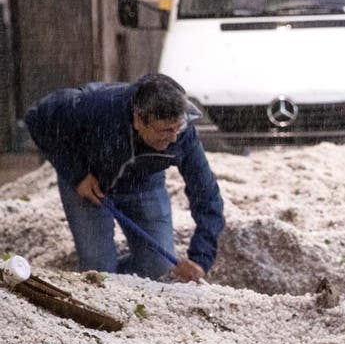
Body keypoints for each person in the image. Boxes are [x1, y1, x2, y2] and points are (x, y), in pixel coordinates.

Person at [24, 73, 225, 282]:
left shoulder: (183, 135)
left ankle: (119, 282)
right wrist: (77, 174)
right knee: (98, 270)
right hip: (88, 181)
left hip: (144, 183)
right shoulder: (97, 106)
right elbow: (37, 118)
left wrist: (201, 258)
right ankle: (95, 278)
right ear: (139, 120)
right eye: (165, 130)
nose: (174, 137)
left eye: (178, 127)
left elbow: (207, 195)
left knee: (159, 267)